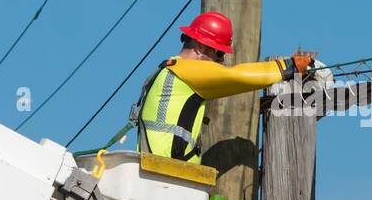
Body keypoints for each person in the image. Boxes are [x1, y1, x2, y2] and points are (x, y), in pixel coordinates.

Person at [133, 11, 315, 163]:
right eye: (219, 52)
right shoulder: (186, 70)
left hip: (158, 172)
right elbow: (238, 76)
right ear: (199, 47)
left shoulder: (171, 69)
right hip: (166, 173)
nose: (222, 60)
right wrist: (292, 66)